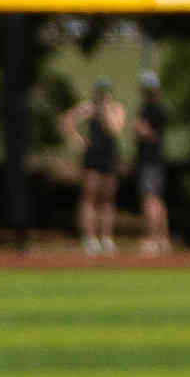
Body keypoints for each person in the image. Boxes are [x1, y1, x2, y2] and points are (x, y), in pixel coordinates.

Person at [75, 83, 123, 257]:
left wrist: (104, 112)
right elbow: (67, 121)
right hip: (92, 158)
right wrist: (79, 139)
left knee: (108, 199)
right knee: (89, 197)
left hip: (109, 158)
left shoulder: (115, 109)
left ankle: (107, 238)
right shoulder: (88, 108)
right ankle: (90, 238)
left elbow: (114, 129)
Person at [131, 75, 173, 255]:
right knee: (158, 200)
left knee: (150, 199)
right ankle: (163, 240)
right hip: (157, 160)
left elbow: (145, 132)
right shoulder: (158, 108)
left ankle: (152, 240)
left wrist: (139, 128)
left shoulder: (151, 109)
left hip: (150, 161)